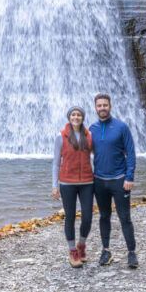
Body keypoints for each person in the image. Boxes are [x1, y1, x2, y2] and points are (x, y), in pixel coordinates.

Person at [89, 93, 138, 269]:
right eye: (99, 105)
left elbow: (131, 153)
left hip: (119, 180)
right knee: (104, 216)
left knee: (125, 217)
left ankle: (131, 253)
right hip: (99, 181)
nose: (102, 108)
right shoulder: (91, 129)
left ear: (110, 106)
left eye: (105, 105)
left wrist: (129, 176)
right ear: (95, 108)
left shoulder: (121, 127)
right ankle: (106, 250)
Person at [51, 106, 94, 268]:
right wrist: (54, 186)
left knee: (88, 216)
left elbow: (96, 156)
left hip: (87, 183)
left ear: (82, 117)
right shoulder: (60, 136)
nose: (76, 117)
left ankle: (81, 245)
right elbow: (56, 163)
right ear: (69, 117)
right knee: (70, 216)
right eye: (73, 115)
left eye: (79, 115)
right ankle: (72, 251)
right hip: (67, 183)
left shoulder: (89, 135)